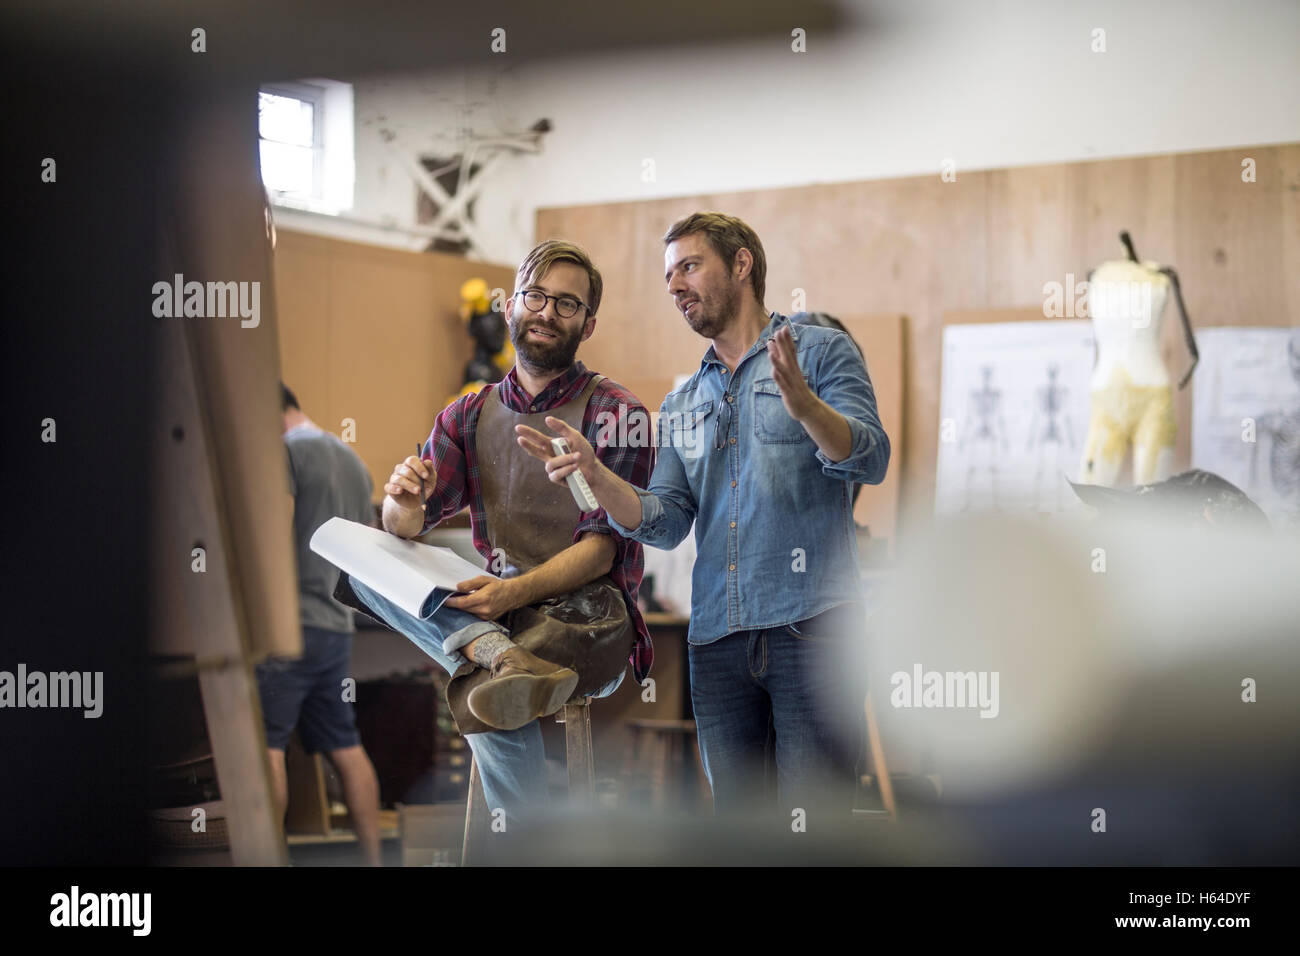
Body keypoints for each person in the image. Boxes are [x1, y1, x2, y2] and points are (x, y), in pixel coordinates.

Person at [517, 212, 890, 821]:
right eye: (669, 276)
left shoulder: (821, 353)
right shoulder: (683, 401)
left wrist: (805, 406)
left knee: (819, 833)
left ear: (742, 264)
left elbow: (869, 458)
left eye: (689, 266)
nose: (675, 286)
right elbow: (666, 522)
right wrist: (597, 474)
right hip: (716, 642)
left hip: (814, 631)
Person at [334, 239, 654, 828]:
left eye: (567, 304)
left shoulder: (617, 412)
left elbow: (601, 550)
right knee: (361, 568)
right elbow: (405, 528)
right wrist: (403, 501)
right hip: (500, 613)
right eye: (536, 296)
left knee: (484, 686)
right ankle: (501, 657)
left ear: (588, 325)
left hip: (589, 618)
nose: (546, 312)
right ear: (510, 304)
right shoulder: (468, 414)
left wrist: (510, 593)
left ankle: (520, 829)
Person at [258, 383, 383, 865]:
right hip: (336, 626)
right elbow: (366, 543)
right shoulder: (353, 462)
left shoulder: (285, 452)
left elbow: (275, 532)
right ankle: (375, 861)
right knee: (345, 746)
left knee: (266, 745)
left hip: (288, 625)